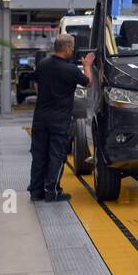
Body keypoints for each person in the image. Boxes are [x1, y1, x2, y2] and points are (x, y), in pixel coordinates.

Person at [28, 34, 95, 202]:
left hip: (40, 117)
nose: (73, 50)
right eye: (72, 47)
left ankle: (36, 192)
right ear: (66, 49)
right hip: (59, 119)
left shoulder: (42, 65)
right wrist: (87, 64)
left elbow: (36, 84)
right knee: (56, 155)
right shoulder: (70, 69)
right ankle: (51, 192)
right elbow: (88, 83)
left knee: (39, 154)